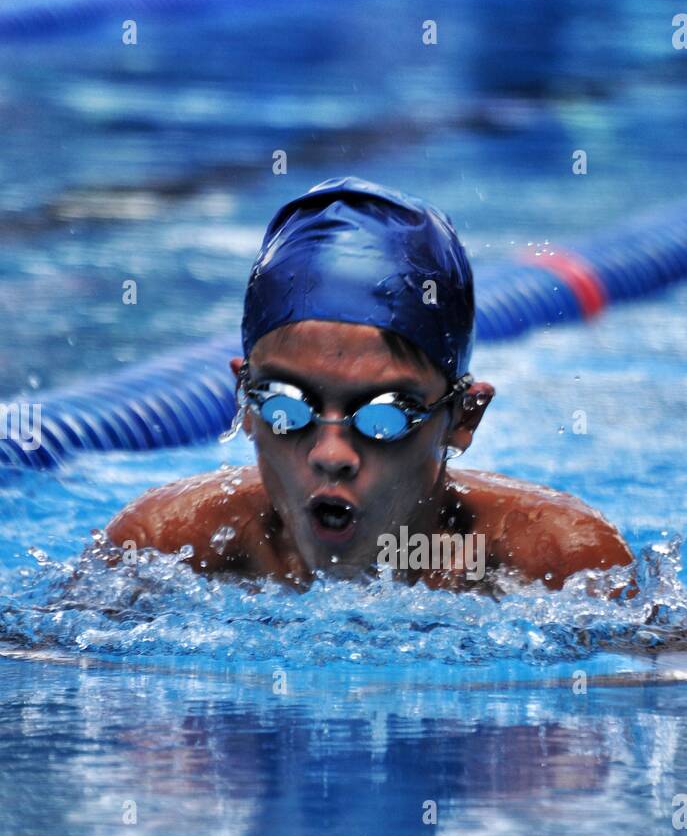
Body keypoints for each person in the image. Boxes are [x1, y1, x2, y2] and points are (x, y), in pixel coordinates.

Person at [106, 176, 632, 592]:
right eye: (286, 406)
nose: (330, 454)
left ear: (462, 418)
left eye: (386, 415)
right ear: (244, 402)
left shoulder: (559, 564)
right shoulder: (164, 550)